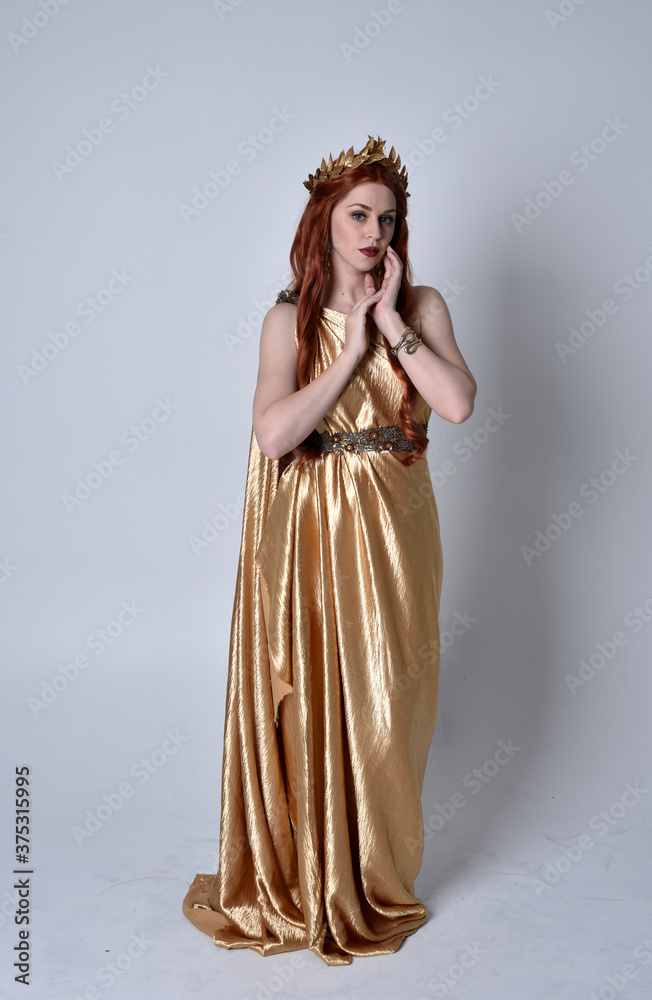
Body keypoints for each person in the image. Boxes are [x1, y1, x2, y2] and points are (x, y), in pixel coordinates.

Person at [182, 135, 477, 966]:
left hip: (397, 528)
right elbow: (275, 434)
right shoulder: (289, 321)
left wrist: (389, 325)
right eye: (358, 215)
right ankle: (311, 877)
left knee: (390, 702)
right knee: (313, 701)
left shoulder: (422, 307)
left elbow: (457, 402)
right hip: (311, 534)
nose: (375, 231)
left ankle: (374, 873)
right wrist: (349, 351)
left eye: (388, 218)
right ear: (325, 220)